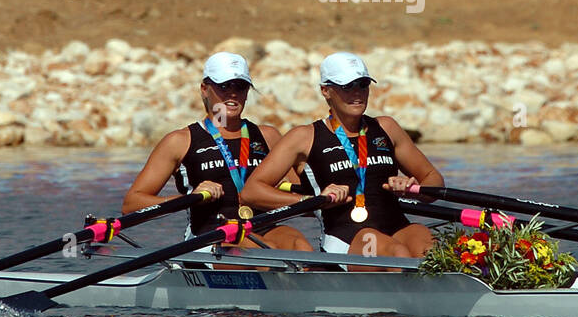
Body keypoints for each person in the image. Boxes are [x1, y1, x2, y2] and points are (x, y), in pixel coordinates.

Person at [241, 52, 444, 268]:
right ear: (326, 91)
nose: (357, 93)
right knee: (398, 254)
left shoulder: (387, 128)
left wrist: (413, 188)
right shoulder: (304, 137)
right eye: (347, 86)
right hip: (346, 237)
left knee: (430, 249)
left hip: (396, 226)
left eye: (362, 84)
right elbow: (251, 191)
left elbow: (435, 181)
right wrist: (311, 200)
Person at [121, 53, 319, 251]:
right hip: (210, 234)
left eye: (240, 86)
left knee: (299, 244)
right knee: (259, 251)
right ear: (205, 89)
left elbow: (299, 195)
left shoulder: (268, 137)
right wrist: (187, 199)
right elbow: (132, 204)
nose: (232, 94)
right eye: (224, 86)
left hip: (262, 227)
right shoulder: (180, 141)